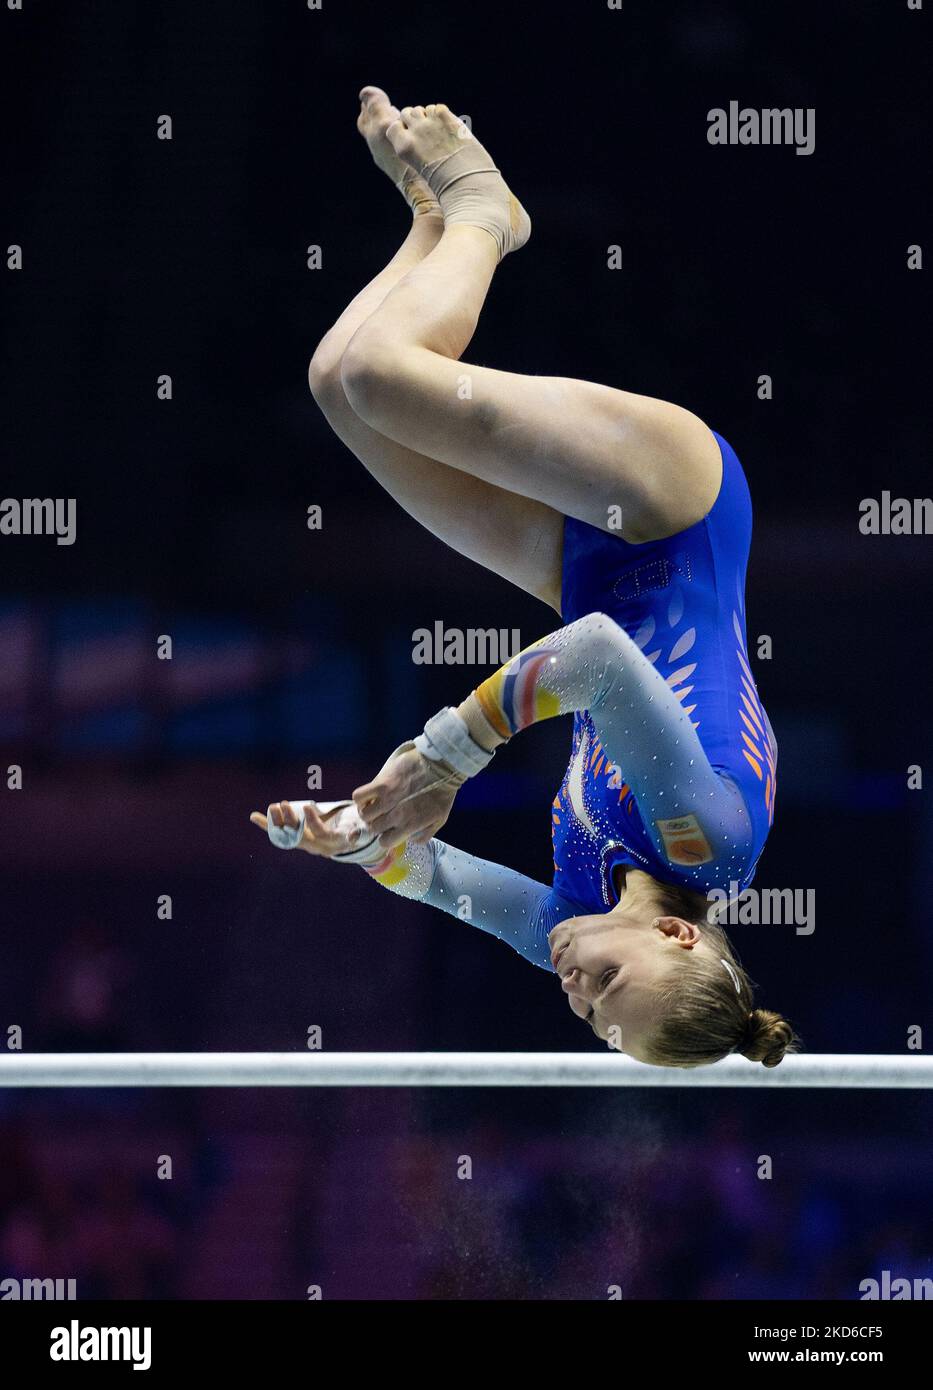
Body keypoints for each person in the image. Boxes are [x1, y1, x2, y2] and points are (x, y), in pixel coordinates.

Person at [250, 88, 798, 1069]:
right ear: (678, 935)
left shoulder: (577, 917)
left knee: (341, 383)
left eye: (588, 1016)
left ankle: (431, 221)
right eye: (609, 987)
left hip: (587, 572)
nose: (578, 991)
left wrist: (359, 835)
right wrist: (446, 753)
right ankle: (483, 213)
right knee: (387, 377)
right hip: (677, 516)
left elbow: (435, 880)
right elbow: (593, 660)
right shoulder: (707, 840)